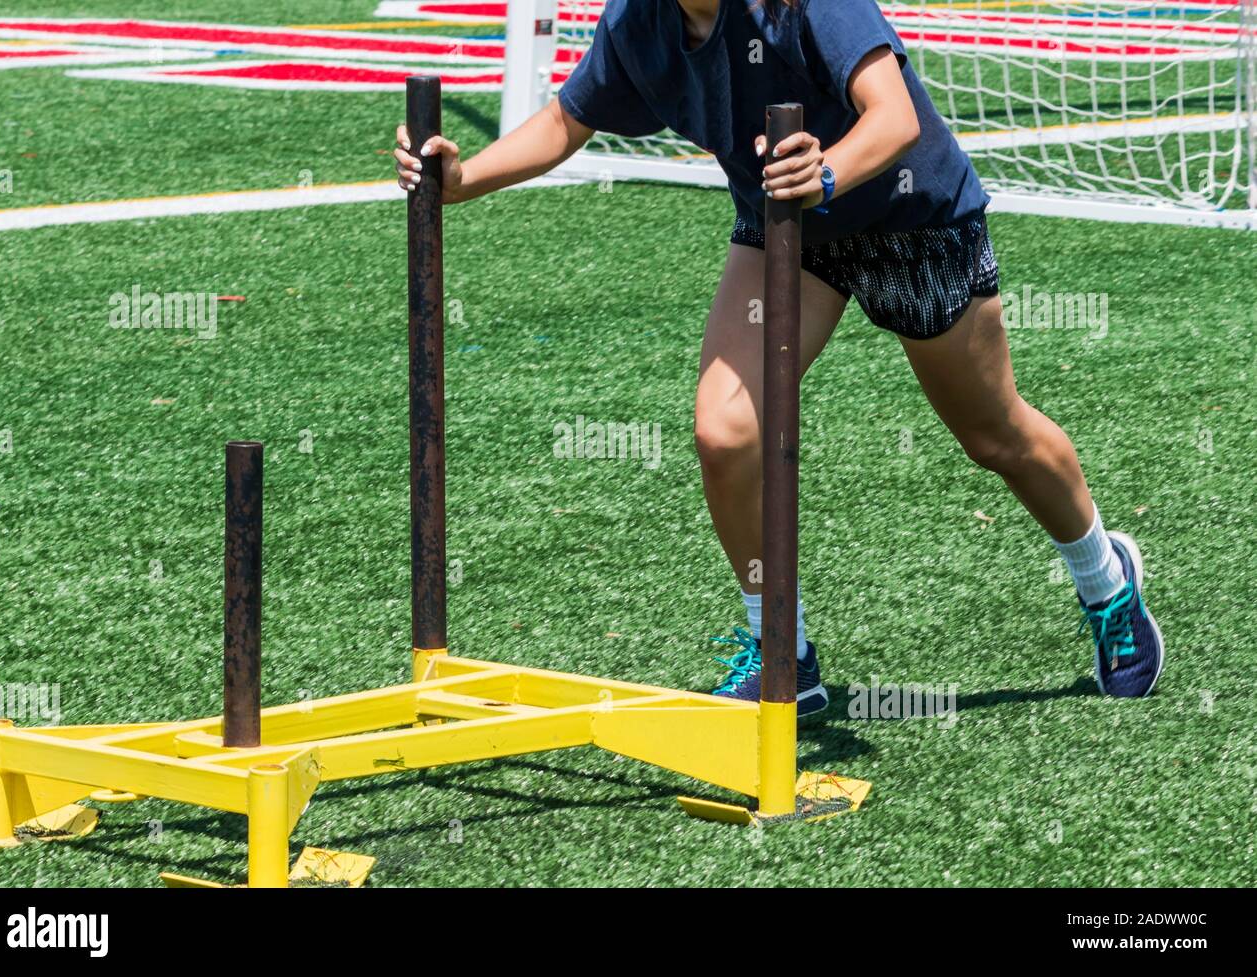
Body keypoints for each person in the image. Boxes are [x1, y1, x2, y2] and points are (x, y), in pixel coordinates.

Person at [395, 0, 1164, 710]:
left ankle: (1106, 581)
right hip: (789, 232)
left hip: (910, 218)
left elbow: (892, 118)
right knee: (724, 431)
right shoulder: (639, 22)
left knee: (994, 436)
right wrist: (461, 180)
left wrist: (824, 171)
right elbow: (568, 119)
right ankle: (782, 649)